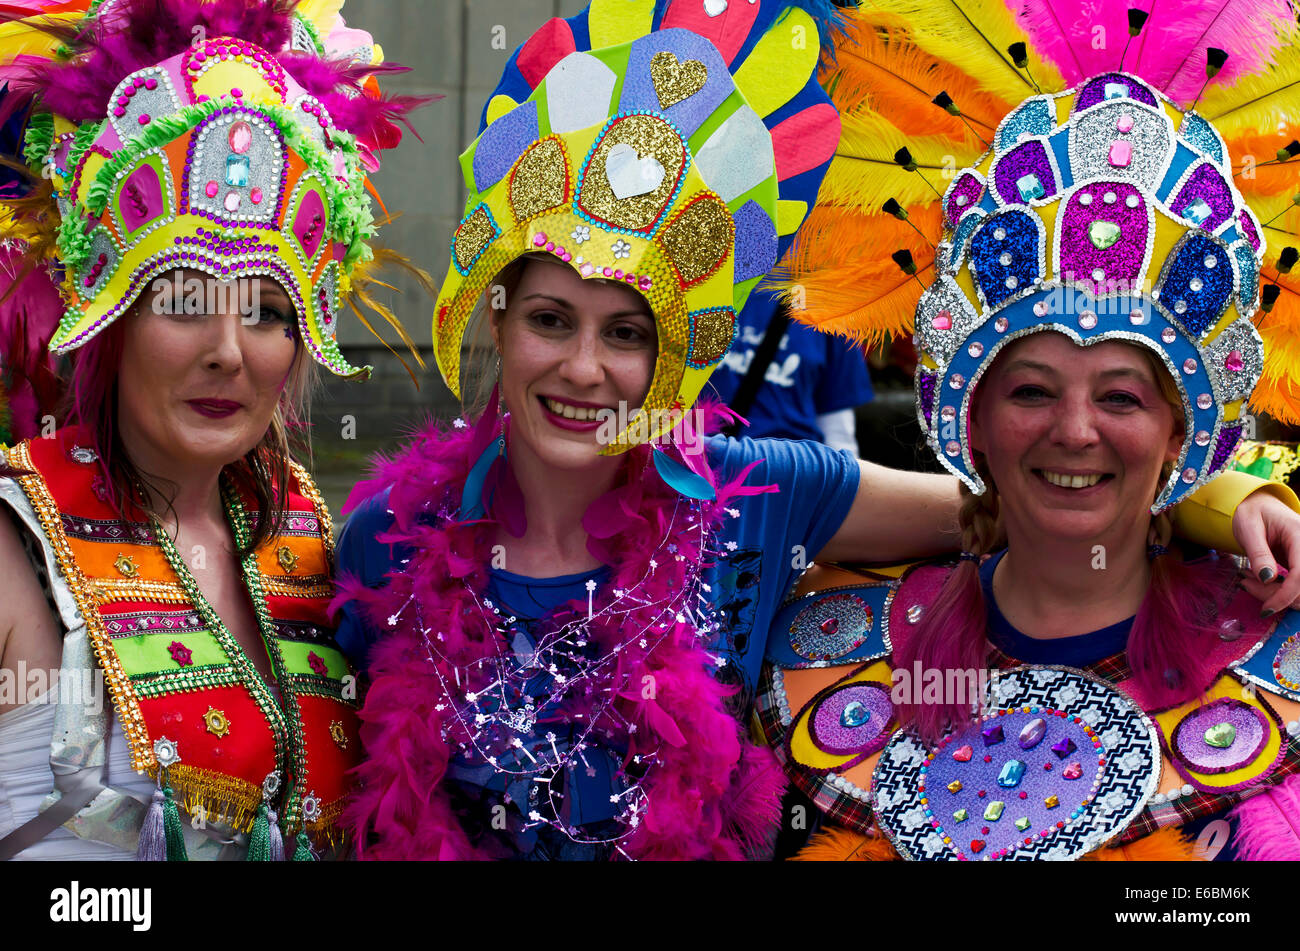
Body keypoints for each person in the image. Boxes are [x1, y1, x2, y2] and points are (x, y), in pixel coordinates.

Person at [335, 0, 1300, 861]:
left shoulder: (753, 498)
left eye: (627, 331)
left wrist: (1225, 492)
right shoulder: (381, 540)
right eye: (550, 320)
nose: (585, 367)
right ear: (497, 317)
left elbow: (1008, 501)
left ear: (676, 349)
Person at [758, 0, 1300, 860]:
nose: (1074, 431)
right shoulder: (817, 634)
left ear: (1179, 432)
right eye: (1032, 391)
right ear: (971, 417)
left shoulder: (1281, 648)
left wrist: (1230, 498)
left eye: (1121, 397)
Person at [0, 0, 420, 860]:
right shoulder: (14, 546)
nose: (228, 351)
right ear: (109, 312)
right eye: (184, 297)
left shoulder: (314, 545)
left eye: (267, 311)